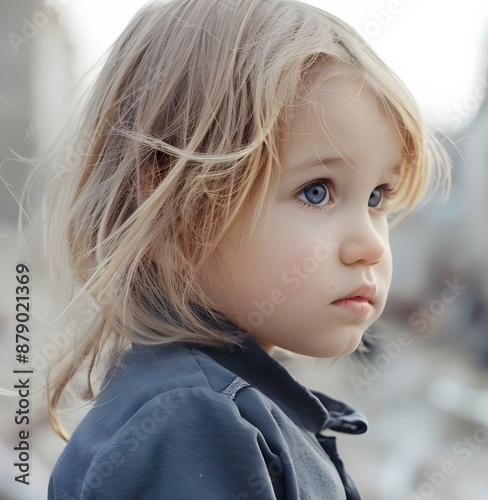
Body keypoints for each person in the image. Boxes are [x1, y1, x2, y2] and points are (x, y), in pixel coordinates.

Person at [35, 0, 450, 497]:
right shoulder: (193, 420)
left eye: (378, 197)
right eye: (316, 191)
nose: (369, 246)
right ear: (174, 218)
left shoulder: (225, 407)